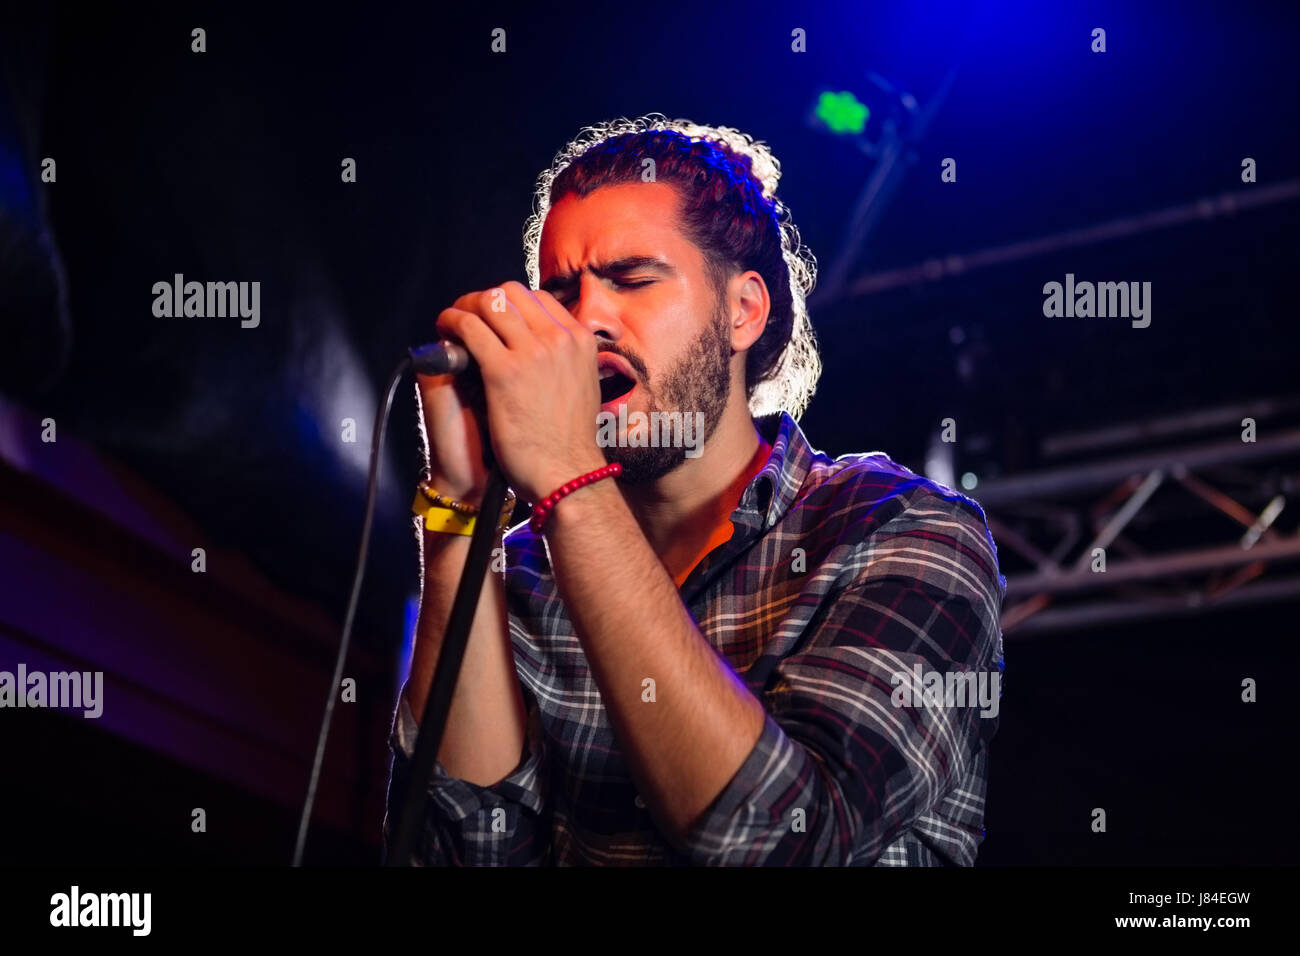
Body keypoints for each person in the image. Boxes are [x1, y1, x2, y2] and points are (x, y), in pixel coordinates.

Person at [384, 114, 1006, 865]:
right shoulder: (519, 571)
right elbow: (457, 853)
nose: (587, 325)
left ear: (744, 310)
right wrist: (460, 513)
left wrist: (571, 481)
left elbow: (780, 840)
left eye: (632, 279)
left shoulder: (899, 529)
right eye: (561, 293)